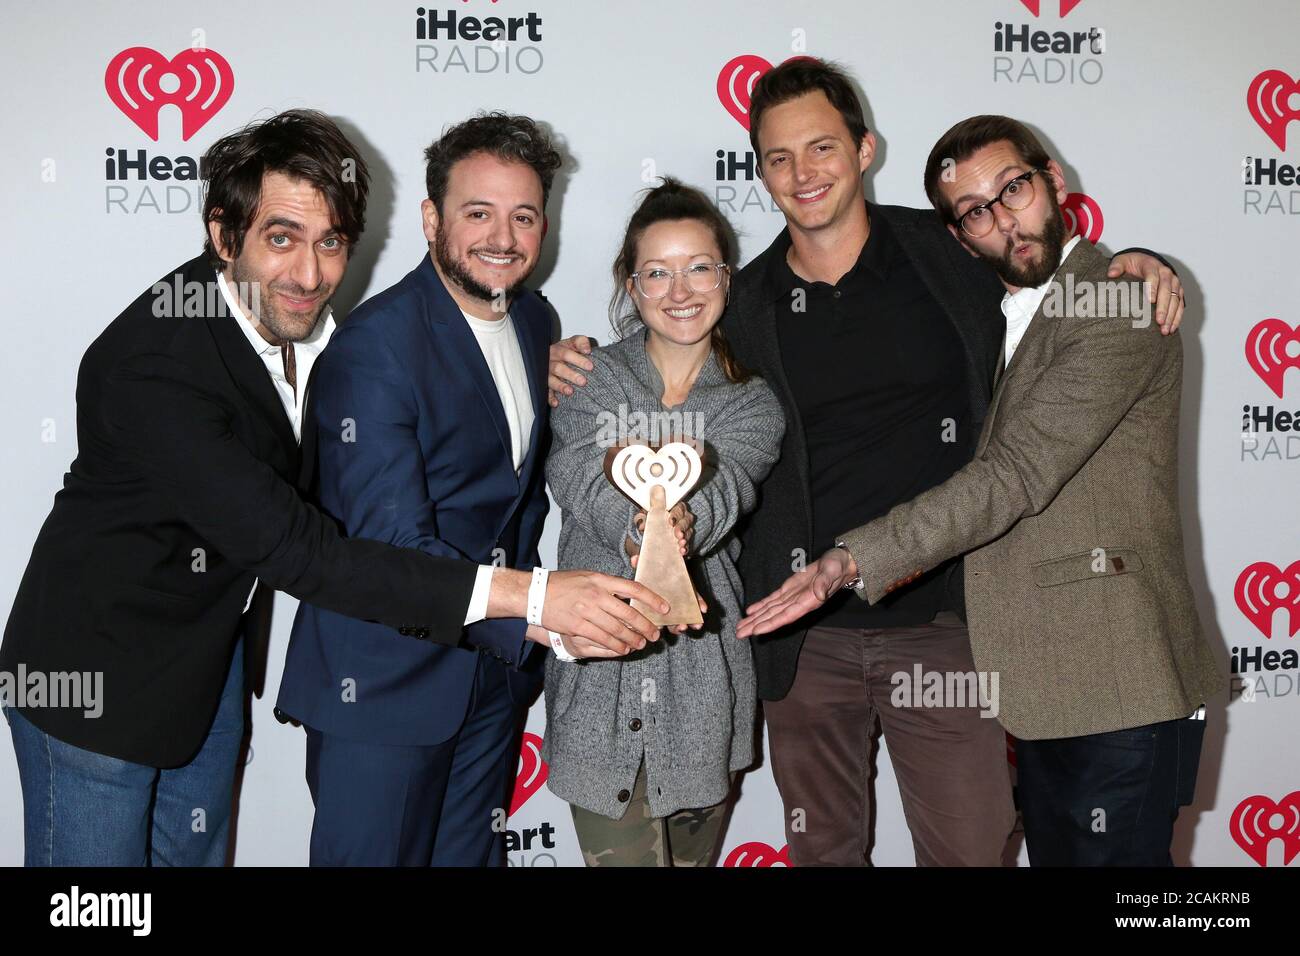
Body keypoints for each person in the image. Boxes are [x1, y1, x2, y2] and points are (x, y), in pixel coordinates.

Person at [550, 58, 1185, 866]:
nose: (802, 173)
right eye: (778, 158)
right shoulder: (740, 301)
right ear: (761, 173)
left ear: (864, 150)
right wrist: (572, 361)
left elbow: (1049, 284)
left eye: (821, 148)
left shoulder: (949, 253)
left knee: (971, 847)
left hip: (949, 623)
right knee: (824, 852)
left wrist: (1136, 262)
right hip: (800, 633)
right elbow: (662, 368)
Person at [0, 109, 668, 868]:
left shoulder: (307, 325)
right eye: (280, 238)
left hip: (206, 660)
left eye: (330, 243)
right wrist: (537, 600)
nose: (311, 273)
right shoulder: (154, 367)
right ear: (223, 235)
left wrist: (518, 375)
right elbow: (303, 550)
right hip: (99, 676)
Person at [739, 114, 1222, 866]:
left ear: (1055, 182)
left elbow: (1016, 473)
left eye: (1015, 190)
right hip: (1039, 677)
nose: (1004, 221)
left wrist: (850, 560)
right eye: (976, 213)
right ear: (960, 240)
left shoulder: (1117, 300)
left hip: (1116, 679)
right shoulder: (1004, 313)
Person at [278, 112, 613, 866]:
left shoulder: (533, 319)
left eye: (523, 215)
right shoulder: (374, 349)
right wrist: (538, 609)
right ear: (431, 218)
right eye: (478, 212)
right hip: (385, 684)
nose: (502, 236)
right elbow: (393, 545)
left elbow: (509, 487)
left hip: (490, 682)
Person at [542, 179, 785, 866]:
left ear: (726, 277)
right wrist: (647, 523)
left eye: (699, 266)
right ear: (632, 283)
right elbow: (577, 475)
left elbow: (729, 484)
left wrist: (682, 523)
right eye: (658, 271)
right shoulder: (588, 377)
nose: (681, 290)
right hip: (597, 683)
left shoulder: (750, 401)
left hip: (702, 691)